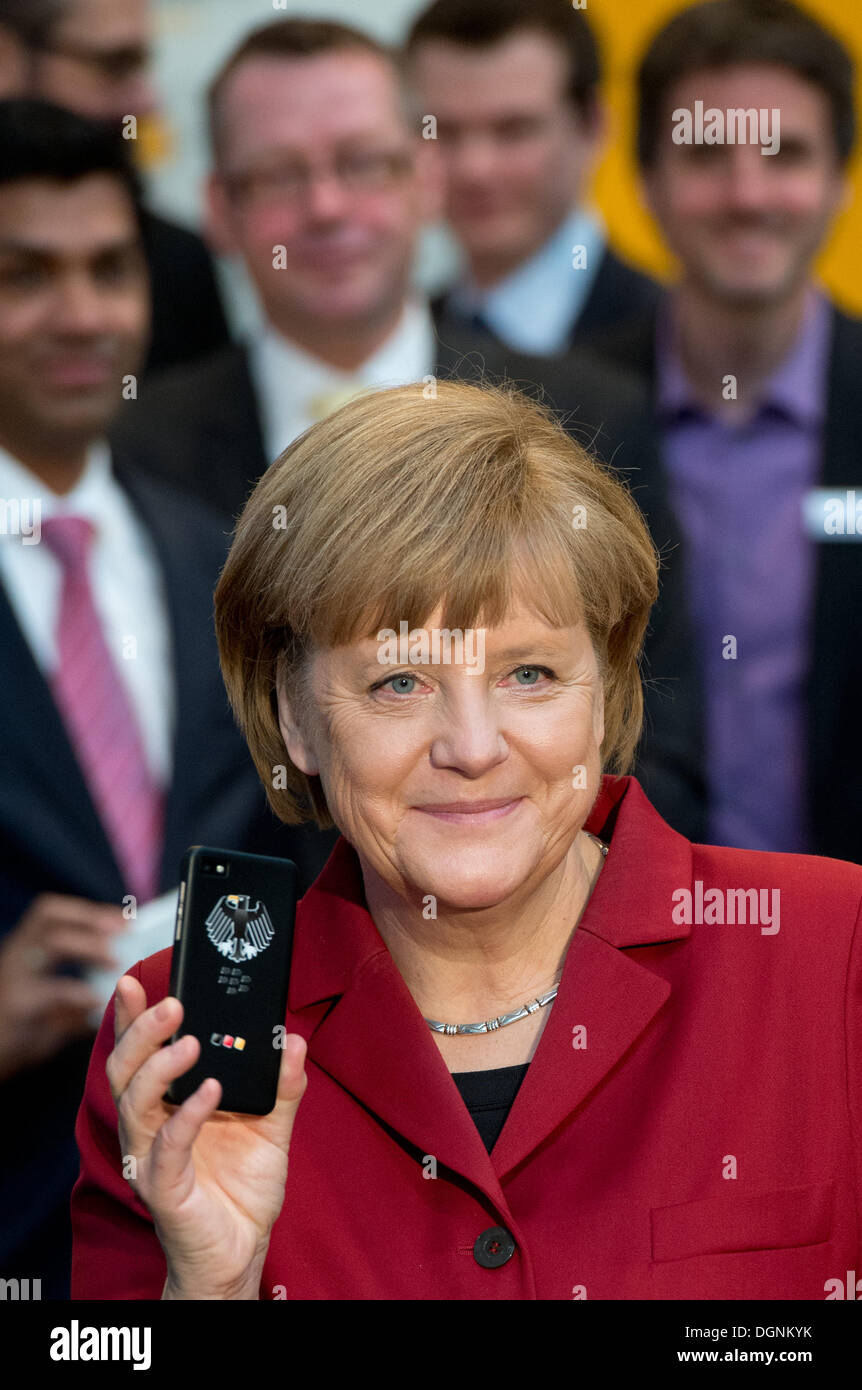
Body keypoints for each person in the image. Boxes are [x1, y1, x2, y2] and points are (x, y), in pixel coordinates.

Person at [71, 379, 862, 1300]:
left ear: (604, 684)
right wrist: (211, 1288)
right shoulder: (177, 1029)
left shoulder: (831, 948)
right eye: (400, 683)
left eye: (529, 673)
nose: (473, 749)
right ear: (295, 716)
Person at [110, 17, 706, 845]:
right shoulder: (135, 447)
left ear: (427, 177)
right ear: (219, 208)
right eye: (279, 176)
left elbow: (659, 741)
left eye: (362, 163)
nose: (326, 207)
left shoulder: (588, 416)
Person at [0, 99, 336, 1299]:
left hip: (219, 1226)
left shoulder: (222, 559)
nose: (82, 313)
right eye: (25, 274)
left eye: (107, 267)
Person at [589, 0, 862, 864]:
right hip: (623, 943)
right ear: (645, 182)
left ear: (842, 181)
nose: (748, 195)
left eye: (785, 155)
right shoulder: (563, 420)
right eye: (708, 156)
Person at [405, 0, 661, 358]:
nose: (475, 169)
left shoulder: (675, 344)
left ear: (593, 127)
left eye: (514, 130)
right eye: (442, 131)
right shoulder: (402, 342)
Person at [0, 0, 230, 374]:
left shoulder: (175, 262)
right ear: (6, 56)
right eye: (114, 65)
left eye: (110, 271)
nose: (145, 102)